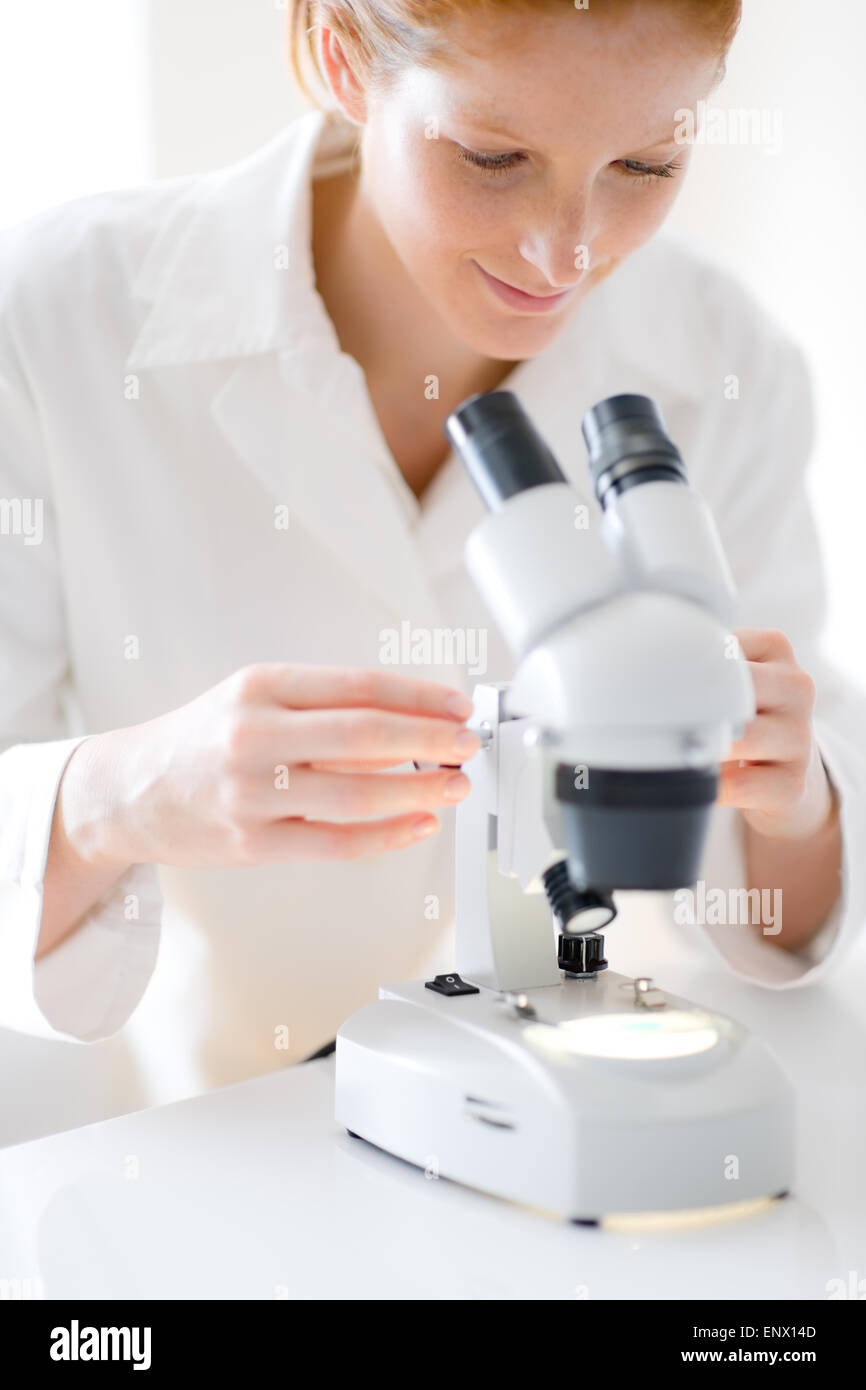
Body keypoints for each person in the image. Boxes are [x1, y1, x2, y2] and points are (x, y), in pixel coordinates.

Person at [1, 0, 864, 1130]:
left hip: (570, 1122)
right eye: (492, 157)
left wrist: (794, 804)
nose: (568, 248)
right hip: (184, 1137)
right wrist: (125, 794)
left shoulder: (721, 358)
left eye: (645, 160)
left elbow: (781, 924)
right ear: (336, 54)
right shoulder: (62, 315)